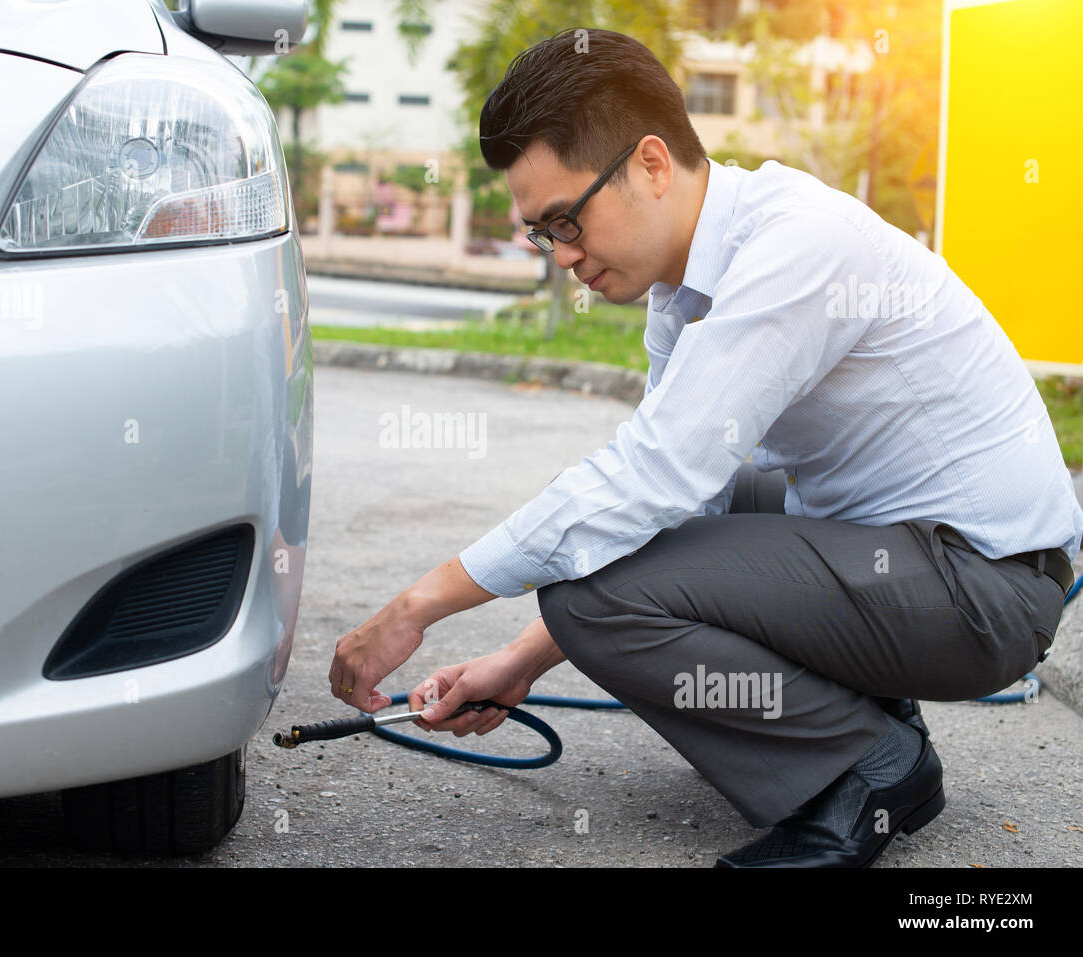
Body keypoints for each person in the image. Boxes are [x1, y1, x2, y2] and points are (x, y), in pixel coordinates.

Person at [327, 27, 1082, 867]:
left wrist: (416, 606)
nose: (564, 255)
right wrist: (518, 661)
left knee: (588, 596)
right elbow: (675, 503)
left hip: (982, 589)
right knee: (642, 550)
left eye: (566, 220)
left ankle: (867, 766)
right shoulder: (683, 290)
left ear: (652, 163)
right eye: (544, 235)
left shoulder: (795, 246)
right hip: (921, 562)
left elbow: (648, 480)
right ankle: (865, 717)